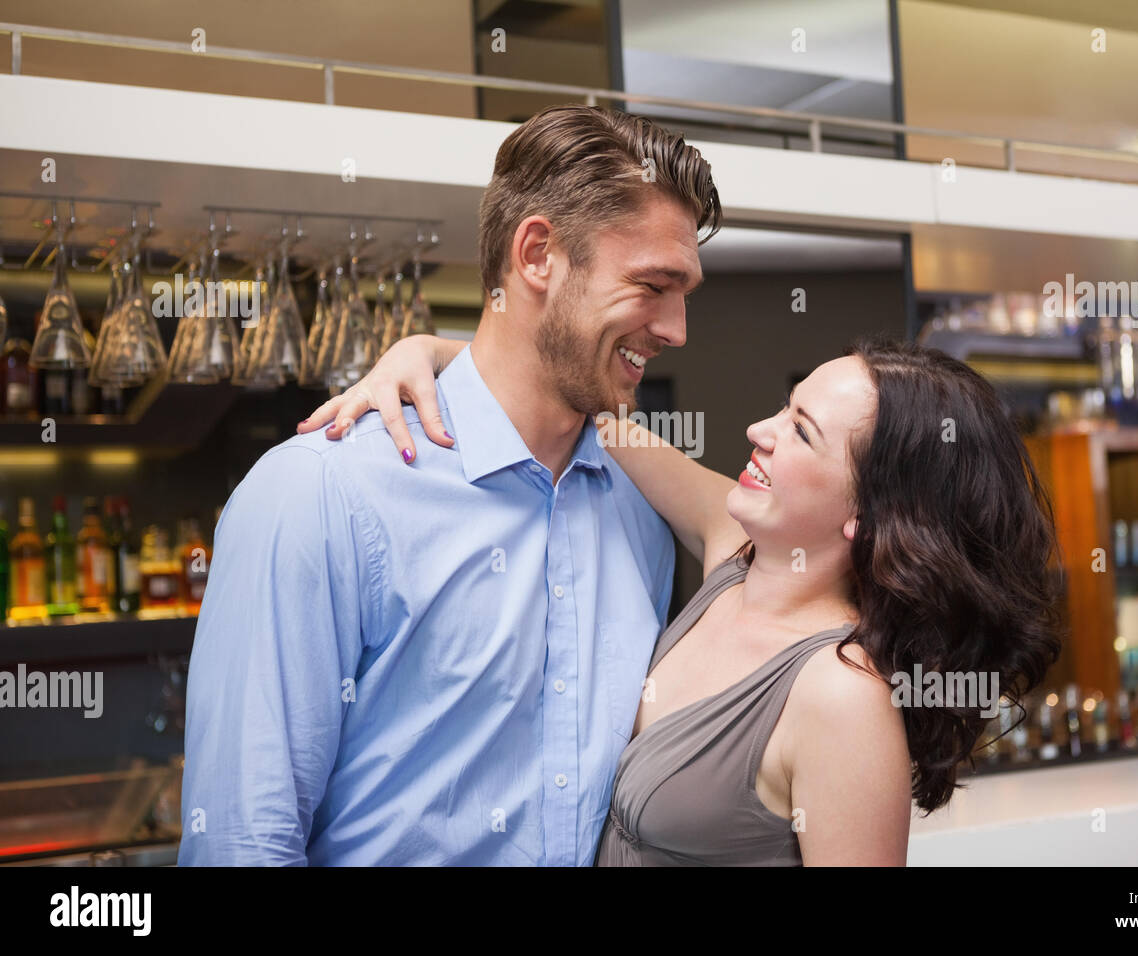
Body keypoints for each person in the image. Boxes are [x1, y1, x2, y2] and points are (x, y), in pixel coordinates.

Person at [178, 104, 721, 865]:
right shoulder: (319, 494)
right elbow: (243, 844)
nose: (675, 329)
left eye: (684, 292)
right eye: (654, 285)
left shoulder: (640, 507)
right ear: (539, 255)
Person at [299, 334, 1065, 865]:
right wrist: (425, 355)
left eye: (801, 431)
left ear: (865, 513)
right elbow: (590, 403)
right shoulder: (737, 554)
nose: (760, 431)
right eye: (784, 406)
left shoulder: (841, 697)